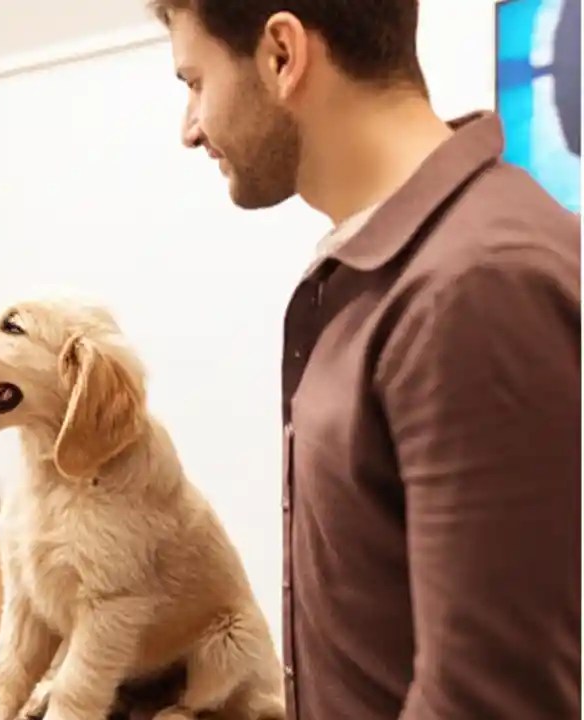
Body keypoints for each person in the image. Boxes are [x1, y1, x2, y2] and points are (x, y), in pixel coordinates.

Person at [149, 1, 580, 719]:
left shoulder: (476, 283)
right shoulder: (388, 271)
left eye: (195, 82)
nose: (190, 128)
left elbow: (486, 702)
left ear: (282, 55)